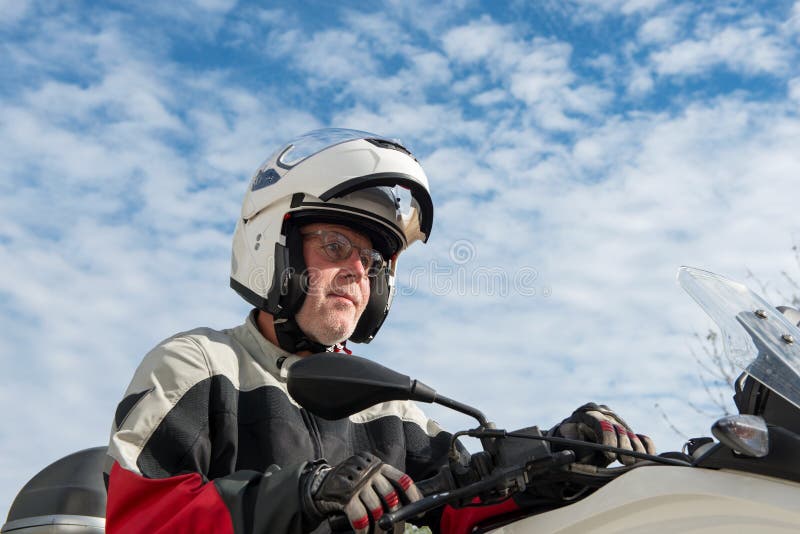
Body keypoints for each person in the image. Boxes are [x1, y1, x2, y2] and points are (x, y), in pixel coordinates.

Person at [104, 129, 655, 534]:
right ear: (274, 248)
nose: (357, 272)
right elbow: (140, 517)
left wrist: (554, 458)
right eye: (336, 247)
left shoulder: (391, 408)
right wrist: (302, 493)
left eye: (373, 262)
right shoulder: (199, 366)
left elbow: (459, 503)